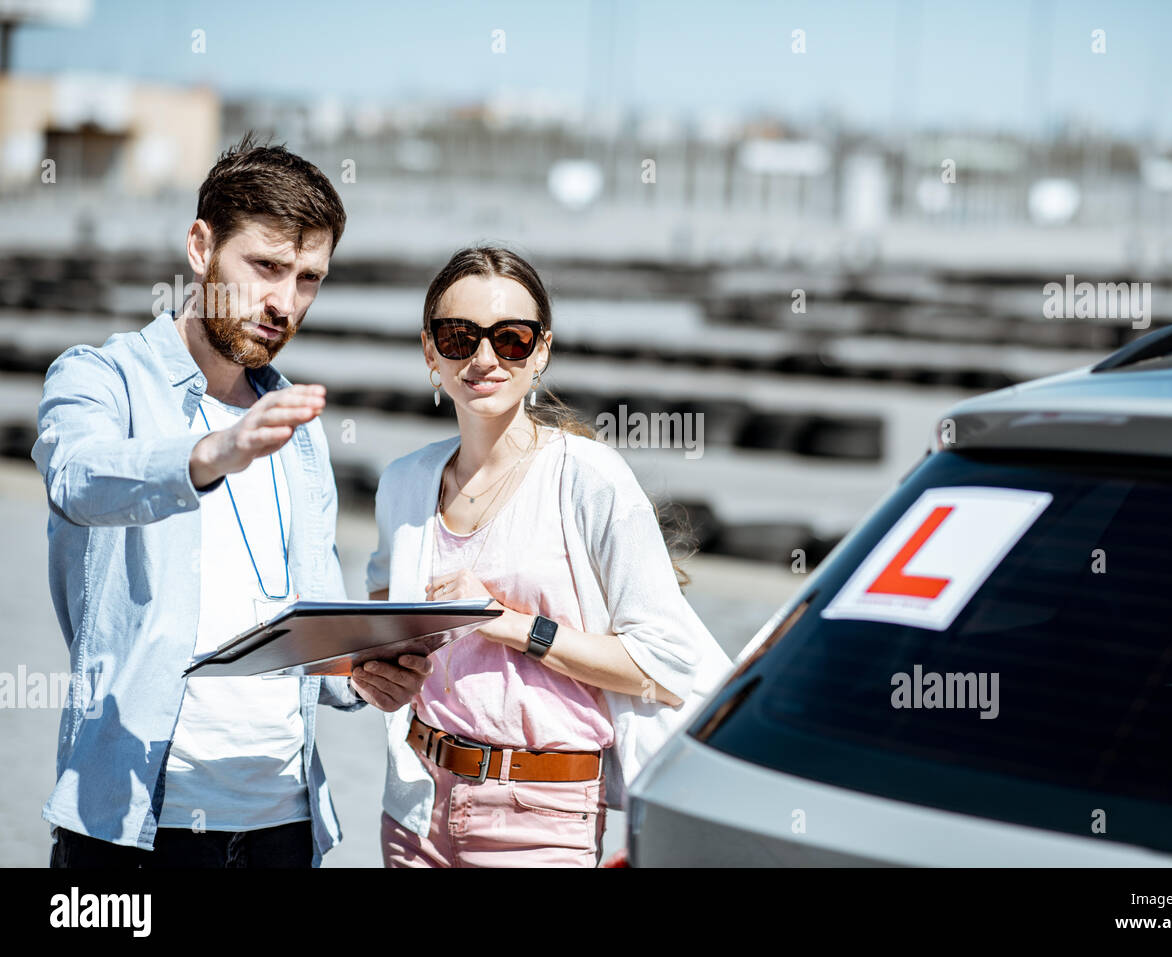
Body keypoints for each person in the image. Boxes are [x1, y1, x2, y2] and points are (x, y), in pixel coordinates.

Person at [32, 134, 430, 868]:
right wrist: (211, 453)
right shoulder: (101, 379)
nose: (285, 301)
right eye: (267, 266)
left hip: (284, 824)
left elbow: (299, 621)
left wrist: (365, 668)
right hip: (134, 827)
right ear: (199, 247)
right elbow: (78, 479)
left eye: (309, 277)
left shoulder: (296, 429)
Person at [366, 246, 734, 867]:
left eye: (510, 338)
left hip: (542, 814)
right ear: (431, 352)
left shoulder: (591, 479)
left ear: (541, 352)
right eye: (459, 337)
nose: (484, 358)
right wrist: (376, 675)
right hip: (414, 804)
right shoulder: (403, 483)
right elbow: (386, 632)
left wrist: (506, 624)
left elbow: (666, 666)